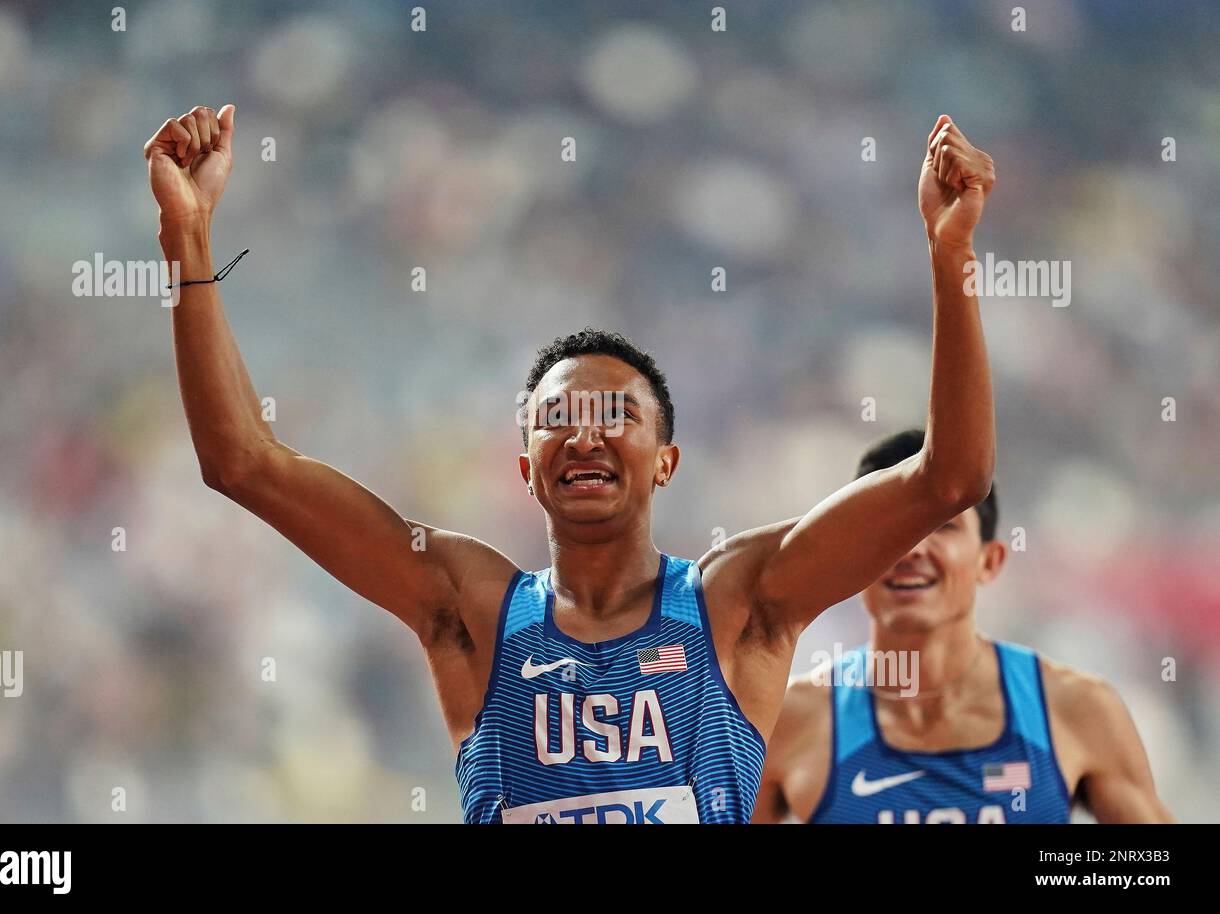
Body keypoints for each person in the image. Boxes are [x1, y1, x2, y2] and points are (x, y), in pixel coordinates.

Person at [144, 105, 997, 823]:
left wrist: (951, 258)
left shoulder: (740, 601)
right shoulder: (466, 605)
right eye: (558, 419)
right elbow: (242, 464)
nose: (585, 435)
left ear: (666, 462)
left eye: (615, 415)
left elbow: (948, 481)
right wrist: (188, 238)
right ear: (525, 469)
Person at [752, 429, 1176, 824]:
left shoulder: (1075, 707)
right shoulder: (787, 720)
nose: (912, 548)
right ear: (852, 558)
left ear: (988, 561)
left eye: (942, 526)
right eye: (891, 529)